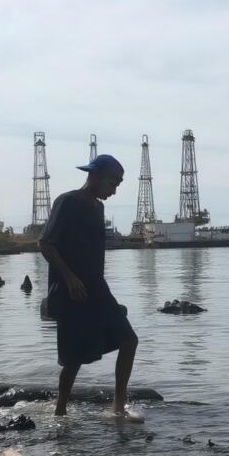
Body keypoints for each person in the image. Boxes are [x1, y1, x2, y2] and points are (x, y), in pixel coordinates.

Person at [37, 154, 140, 420]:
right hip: (71, 289)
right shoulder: (67, 201)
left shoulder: (98, 208)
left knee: (129, 340)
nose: (115, 190)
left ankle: (118, 406)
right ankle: (60, 410)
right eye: (112, 182)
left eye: (119, 184)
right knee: (74, 358)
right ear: (94, 176)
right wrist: (70, 278)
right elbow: (45, 244)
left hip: (97, 287)